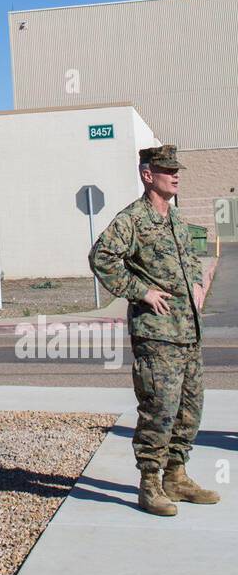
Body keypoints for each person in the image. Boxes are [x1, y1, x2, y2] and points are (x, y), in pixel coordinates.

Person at [89, 145, 220, 516]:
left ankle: (176, 477)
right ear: (148, 175)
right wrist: (141, 291)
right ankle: (149, 485)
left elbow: (192, 259)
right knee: (159, 410)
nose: (175, 175)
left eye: (177, 170)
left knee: (189, 409)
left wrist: (197, 282)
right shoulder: (133, 219)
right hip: (157, 334)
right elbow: (101, 256)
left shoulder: (176, 218)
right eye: (167, 170)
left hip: (188, 332)